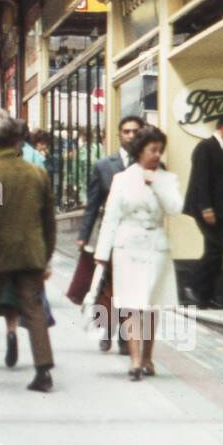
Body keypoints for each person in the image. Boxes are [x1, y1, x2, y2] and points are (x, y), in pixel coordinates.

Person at [0, 117, 56, 389]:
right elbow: (48, 219)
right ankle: (43, 370)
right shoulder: (37, 173)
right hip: (32, 253)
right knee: (33, 309)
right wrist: (47, 256)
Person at [92, 124, 183, 382]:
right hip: (127, 245)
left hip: (156, 245)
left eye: (160, 150)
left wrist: (157, 185)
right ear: (140, 150)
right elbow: (111, 217)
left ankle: (147, 356)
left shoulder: (168, 179)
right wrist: (102, 252)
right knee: (131, 304)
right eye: (152, 150)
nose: (157, 155)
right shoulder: (122, 179)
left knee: (151, 305)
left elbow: (175, 208)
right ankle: (134, 359)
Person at [75, 114, 143, 354]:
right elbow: (93, 204)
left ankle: (126, 337)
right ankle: (106, 330)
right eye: (127, 131)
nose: (131, 136)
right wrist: (84, 235)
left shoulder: (151, 165)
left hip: (139, 238)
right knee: (109, 287)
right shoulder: (103, 166)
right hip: (113, 236)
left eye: (136, 131)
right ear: (119, 135)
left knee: (132, 289)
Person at [182, 114, 223, 310]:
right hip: (209, 211)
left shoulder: (220, 149)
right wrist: (206, 207)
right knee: (217, 249)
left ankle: (206, 296)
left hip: (220, 211)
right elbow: (201, 179)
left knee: (215, 249)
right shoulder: (206, 147)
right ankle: (192, 283)